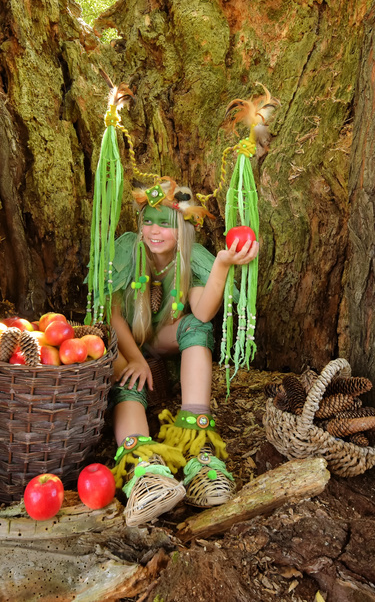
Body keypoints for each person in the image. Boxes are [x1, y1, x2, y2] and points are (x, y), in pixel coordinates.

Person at [106, 178, 259, 525]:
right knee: (128, 381)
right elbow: (114, 317)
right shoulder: (128, 249)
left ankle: (196, 442)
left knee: (196, 326)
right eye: (148, 221)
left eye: (165, 224)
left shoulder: (190, 259)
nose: (154, 230)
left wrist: (222, 264)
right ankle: (144, 470)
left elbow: (203, 312)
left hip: (161, 341)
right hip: (124, 347)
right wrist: (137, 360)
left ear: (182, 230)